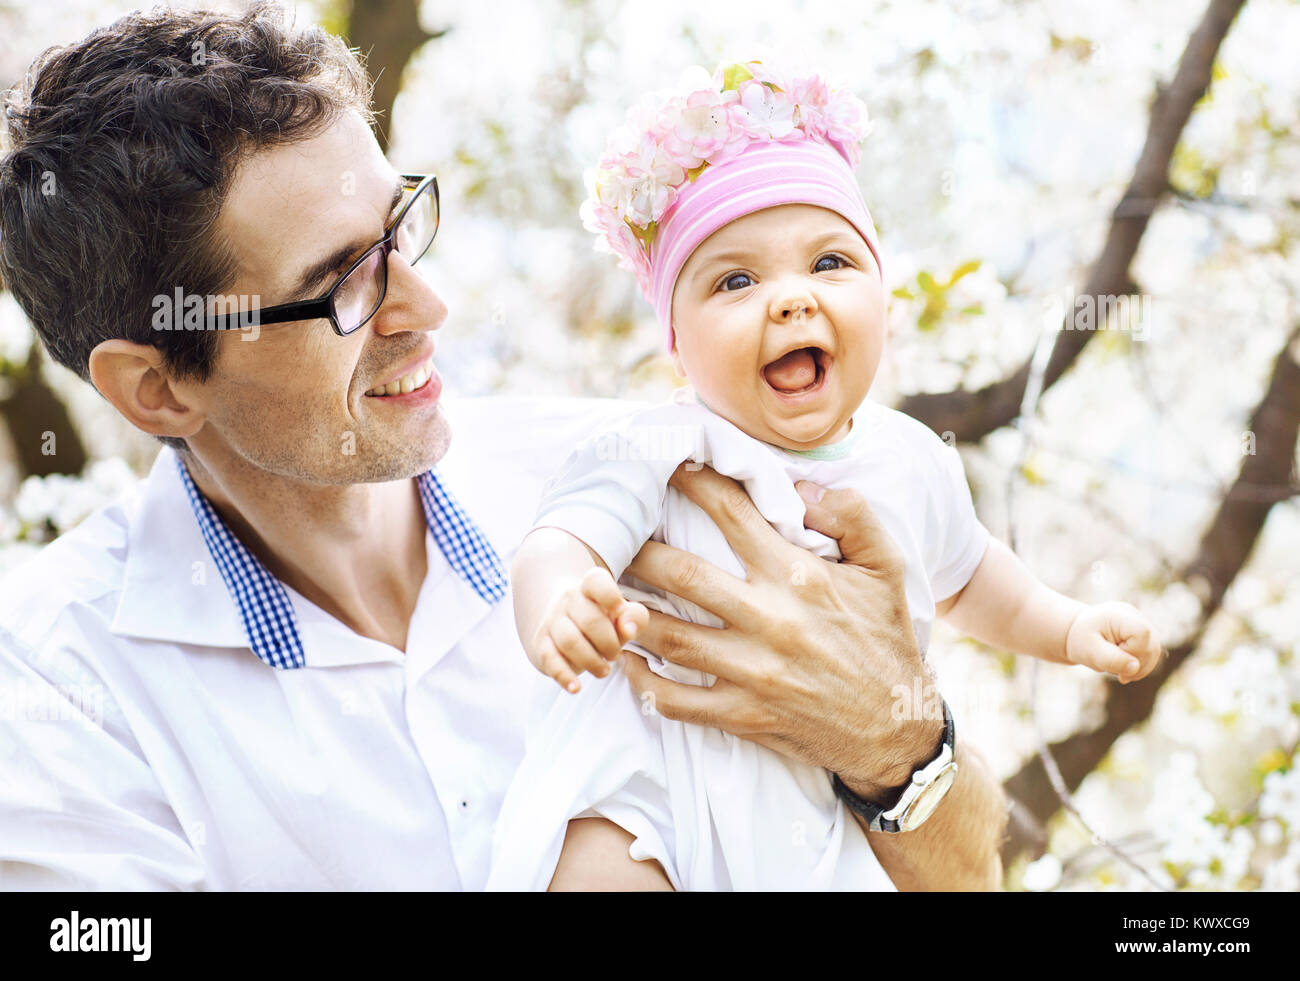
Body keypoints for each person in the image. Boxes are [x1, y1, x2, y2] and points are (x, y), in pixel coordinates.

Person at [0, 4, 1005, 890]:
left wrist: (901, 748)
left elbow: (967, 878)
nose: (427, 306)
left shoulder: (638, 479)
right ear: (158, 387)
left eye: (401, 228)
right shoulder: (55, 690)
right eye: (346, 282)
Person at [494, 60, 1163, 890]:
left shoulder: (913, 457)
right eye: (735, 280)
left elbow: (975, 576)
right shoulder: (655, 446)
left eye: (831, 263)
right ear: (676, 342)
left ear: (885, 296)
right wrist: (560, 602)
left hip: (820, 798)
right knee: (596, 858)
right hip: (655, 771)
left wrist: (1066, 626)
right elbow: (558, 540)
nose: (790, 299)